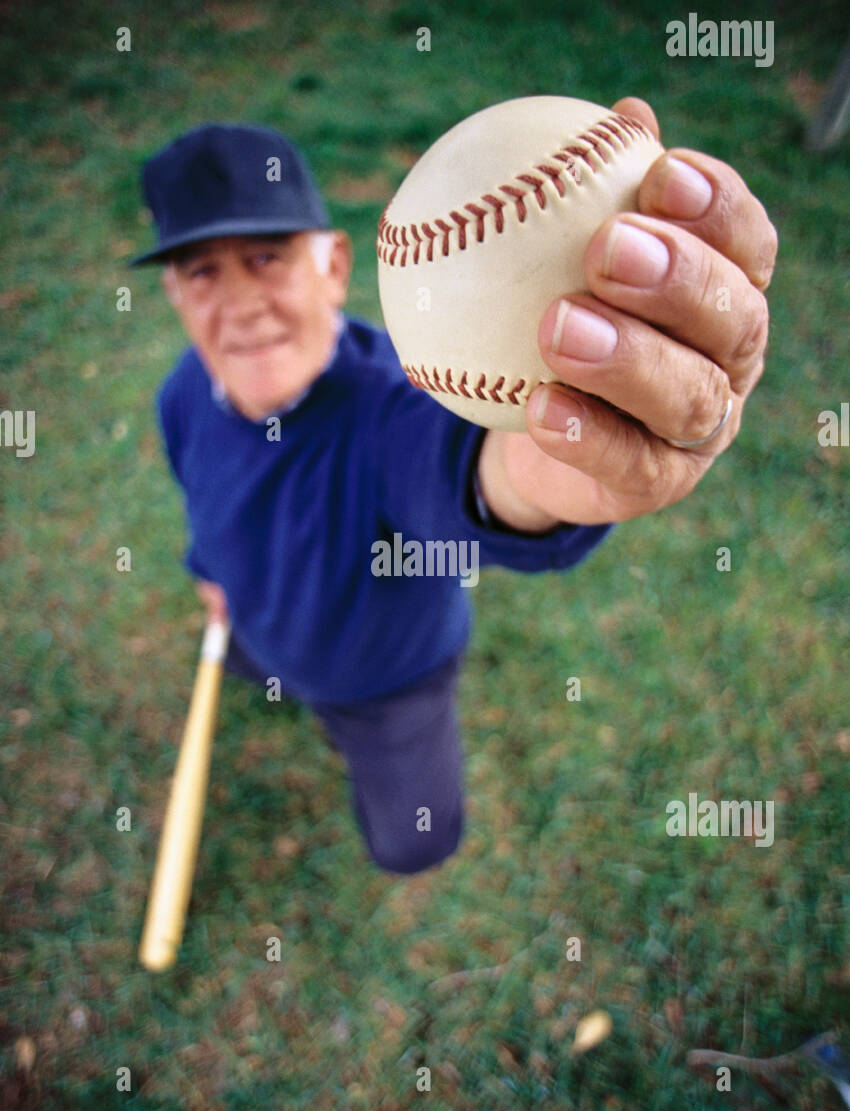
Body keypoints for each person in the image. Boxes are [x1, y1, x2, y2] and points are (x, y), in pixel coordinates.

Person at [131, 99, 777, 876]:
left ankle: (345, 728)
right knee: (258, 662)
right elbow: (206, 500)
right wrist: (209, 573)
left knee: (415, 841)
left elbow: (466, 470)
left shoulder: (389, 410)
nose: (239, 304)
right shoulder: (182, 392)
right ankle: (279, 671)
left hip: (386, 679)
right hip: (261, 628)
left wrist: (540, 471)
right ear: (173, 293)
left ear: (333, 265)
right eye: (202, 271)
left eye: (267, 257)